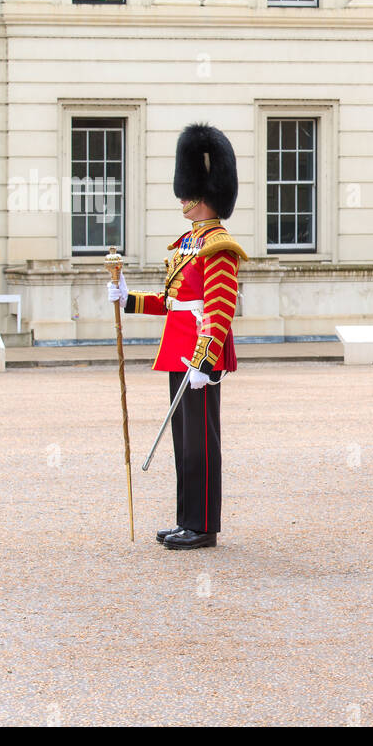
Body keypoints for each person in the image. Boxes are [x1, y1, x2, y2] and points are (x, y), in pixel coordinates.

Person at [107, 123, 246, 550]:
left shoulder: (218, 245)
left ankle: (203, 525)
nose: (182, 199)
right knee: (184, 444)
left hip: (199, 356)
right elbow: (173, 302)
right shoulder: (188, 243)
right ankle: (187, 518)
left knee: (200, 443)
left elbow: (220, 308)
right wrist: (129, 299)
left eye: (189, 193)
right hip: (179, 350)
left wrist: (205, 361)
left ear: (205, 195)